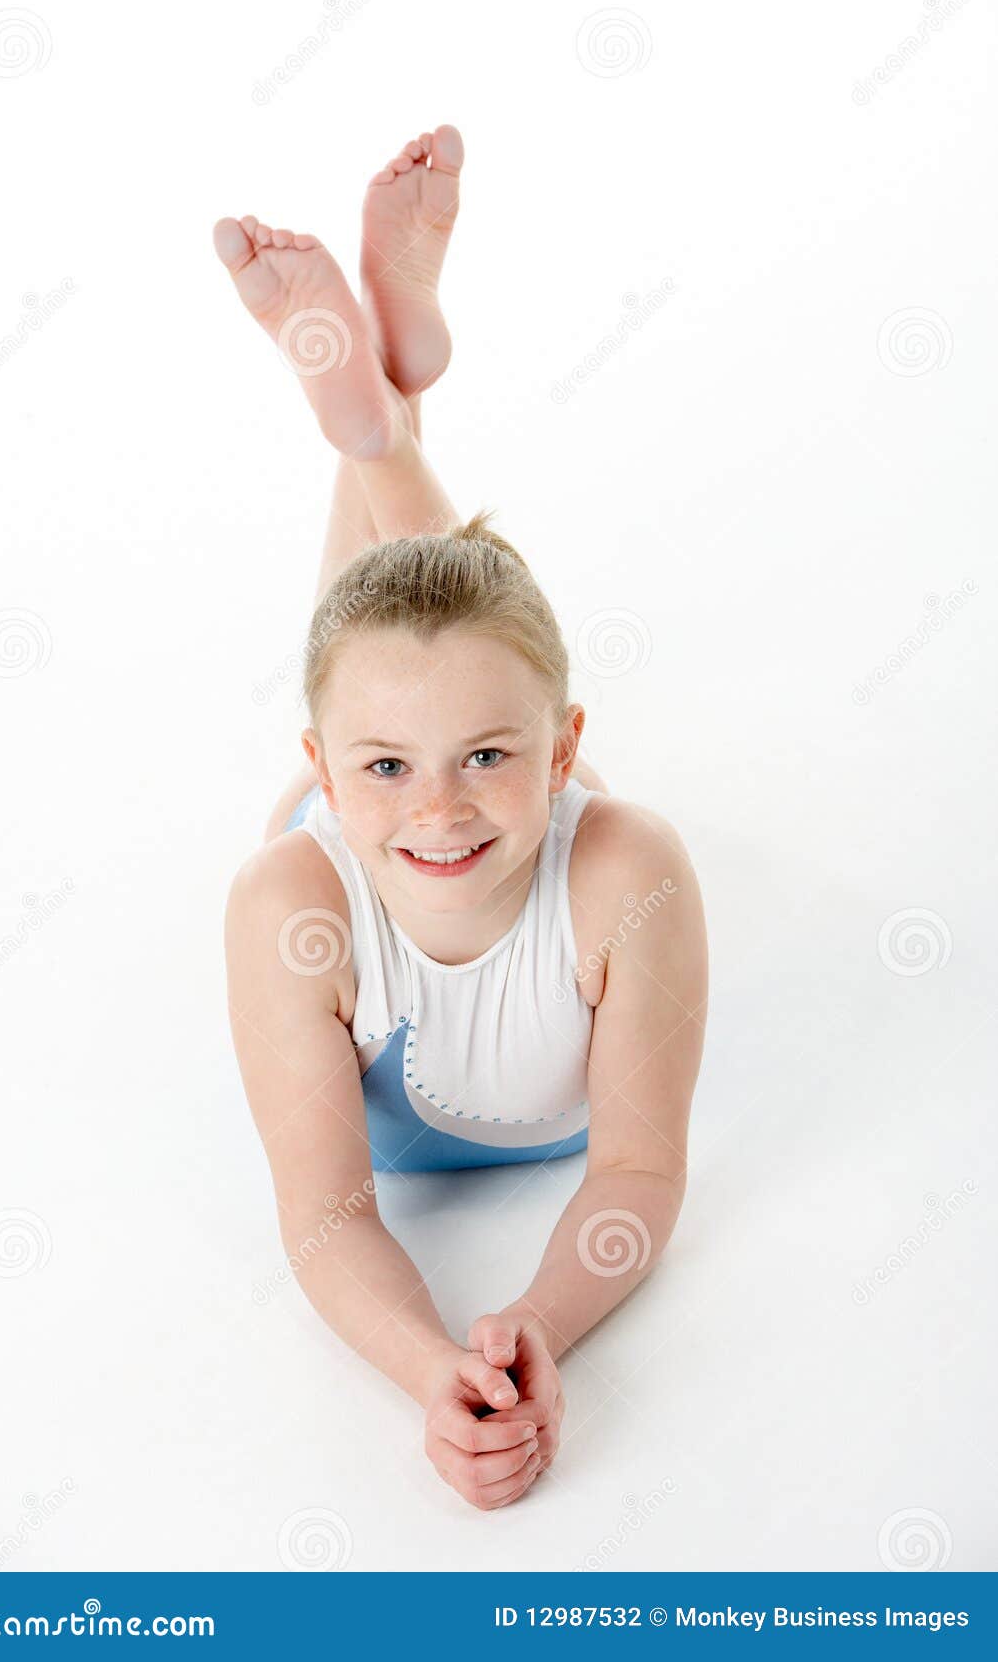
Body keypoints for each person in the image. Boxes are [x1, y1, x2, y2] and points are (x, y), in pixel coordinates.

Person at [216, 126, 708, 1511]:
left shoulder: (629, 870)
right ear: (321, 769)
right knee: (405, 655)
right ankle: (379, 418)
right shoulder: (292, 900)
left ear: (563, 752)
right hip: (340, 853)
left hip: (556, 827)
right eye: (373, 771)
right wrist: (431, 1363)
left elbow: (641, 1163)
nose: (436, 807)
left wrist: (541, 1324)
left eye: (494, 755)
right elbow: (324, 1212)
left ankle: (375, 418)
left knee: (437, 656)